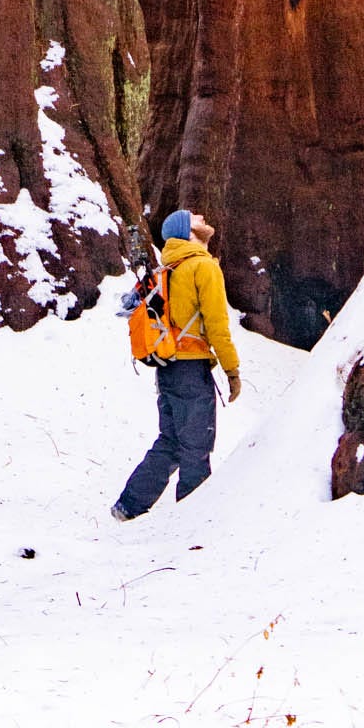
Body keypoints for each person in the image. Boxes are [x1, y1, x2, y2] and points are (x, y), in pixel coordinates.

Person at [112, 209, 242, 518]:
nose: (201, 216)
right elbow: (217, 325)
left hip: (166, 368)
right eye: (194, 218)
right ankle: (192, 521)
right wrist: (232, 370)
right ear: (188, 232)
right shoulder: (202, 267)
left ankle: (128, 505)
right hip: (191, 368)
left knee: (171, 440)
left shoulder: (164, 270)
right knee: (196, 446)